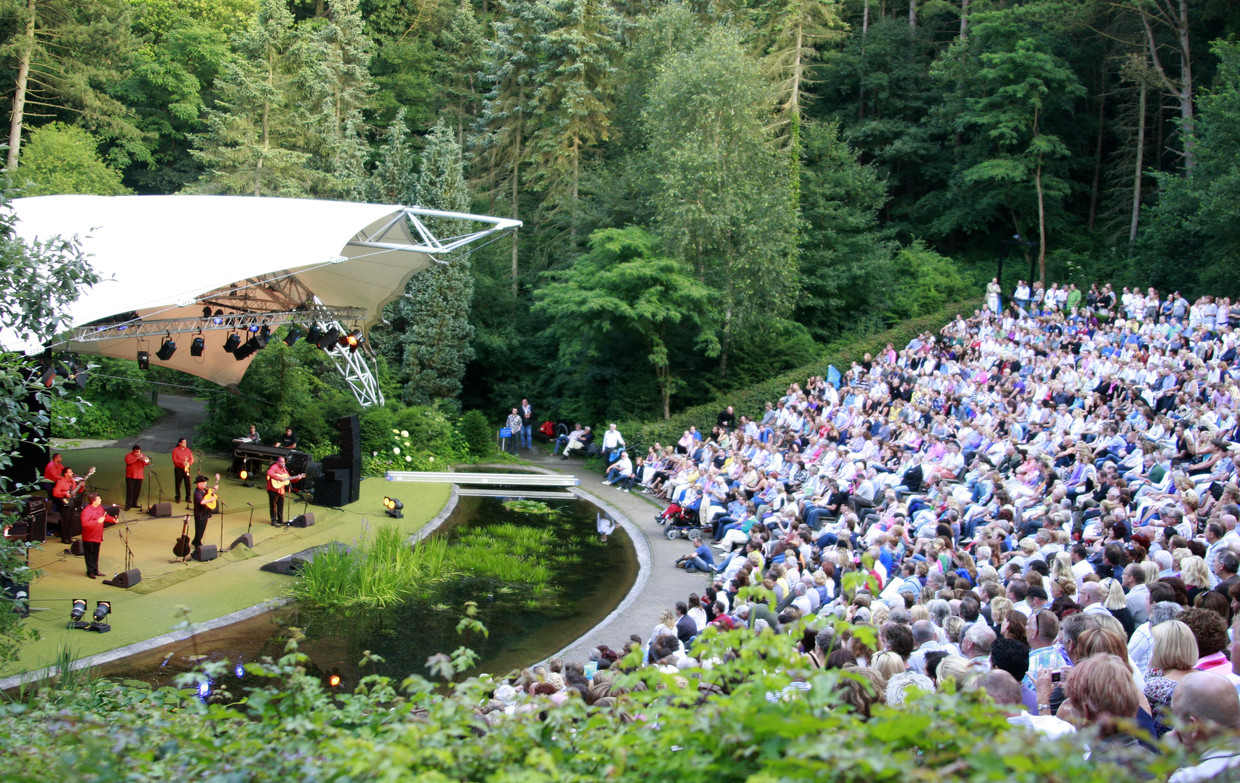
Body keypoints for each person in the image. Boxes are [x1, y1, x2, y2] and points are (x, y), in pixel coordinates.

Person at [79, 492, 115, 579]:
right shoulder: (87, 511)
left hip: (97, 536)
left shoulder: (100, 508)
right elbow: (85, 524)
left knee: (95, 554)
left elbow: (105, 517)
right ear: (94, 501)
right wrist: (97, 521)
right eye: (99, 499)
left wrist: (113, 519)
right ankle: (90, 571)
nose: (101, 500)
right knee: (89, 554)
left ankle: (95, 570)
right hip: (89, 537)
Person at [191, 474, 218, 550]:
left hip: (205, 513)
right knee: (199, 529)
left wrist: (215, 488)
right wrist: (211, 500)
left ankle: (195, 541)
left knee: (202, 529)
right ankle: (197, 543)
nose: (206, 484)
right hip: (199, 514)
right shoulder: (197, 492)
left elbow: (212, 492)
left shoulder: (204, 490)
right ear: (199, 484)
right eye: (204, 482)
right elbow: (202, 502)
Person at [267, 456, 294, 525]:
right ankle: (273, 520)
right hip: (273, 489)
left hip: (281, 490)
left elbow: (289, 478)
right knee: (273, 505)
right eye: (281, 462)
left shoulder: (284, 469)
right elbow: (269, 473)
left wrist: (298, 477)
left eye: (284, 462)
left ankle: (280, 519)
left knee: (280, 505)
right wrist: (279, 477)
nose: (283, 463)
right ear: (278, 462)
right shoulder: (274, 467)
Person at [123, 444, 150, 510]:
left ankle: (134, 503)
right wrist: (136, 458)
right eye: (136, 452)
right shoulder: (128, 455)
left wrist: (142, 459)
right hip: (130, 476)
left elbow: (147, 462)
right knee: (130, 491)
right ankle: (128, 505)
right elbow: (128, 462)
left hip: (139, 476)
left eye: (139, 452)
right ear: (133, 451)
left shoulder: (143, 455)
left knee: (137, 491)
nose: (138, 453)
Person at [171, 438, 194, 505]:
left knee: (188, 483)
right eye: (184, 442)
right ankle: (178, 497)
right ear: (180, 443)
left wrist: (189, 463)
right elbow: (174, 460)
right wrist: (182, 462)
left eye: (185, 442)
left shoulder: (188, 450)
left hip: (187, 468)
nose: (185, 444)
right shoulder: (175, 450)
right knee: (178, 483)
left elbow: (191, 458)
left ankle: (188, 497)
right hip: (179, 469)